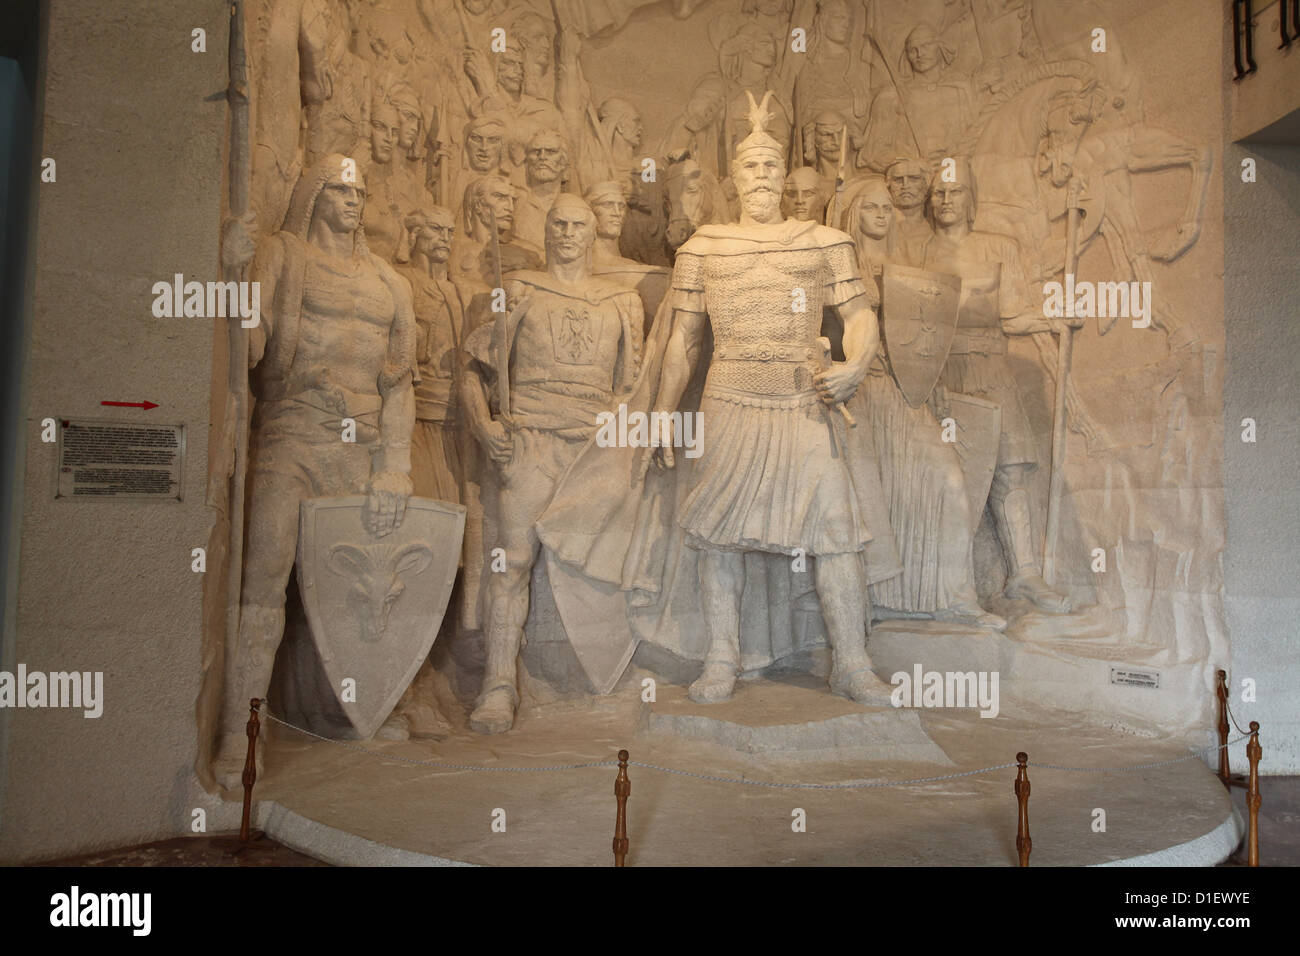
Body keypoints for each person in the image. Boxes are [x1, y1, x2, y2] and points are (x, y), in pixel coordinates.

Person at [649, 93, 894, 705]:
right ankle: (722, 658)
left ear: (785, 176)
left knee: (835, 528)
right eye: (749, 165)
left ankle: (853, 662)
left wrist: (854, 364)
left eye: (770, 164)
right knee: (718, 534)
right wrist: (659, 415)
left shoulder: (823, 240)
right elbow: (683, 338)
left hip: (803, 397)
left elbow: (860, 316)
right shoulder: (703, 246)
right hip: (730, 394)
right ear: (733, 179)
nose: (760, 175)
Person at [216, 154, 417, 785]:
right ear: (315, 194)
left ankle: (362, 706)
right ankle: (239, 731)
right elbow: (250, 348)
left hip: (361, 444)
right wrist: (232, 272)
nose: (354, 200)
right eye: (340, 189)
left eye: (360, 191)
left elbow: (400, 384)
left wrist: (396, 466)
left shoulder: (390, 284)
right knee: (263, 580)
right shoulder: (284, 256)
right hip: (294, 431)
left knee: (366, 590)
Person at [460, 194, 643, 732]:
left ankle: (596, 677)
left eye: (577, 225)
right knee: (512, 560)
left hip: (593, 448)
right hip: (531, 439)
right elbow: (473, 371)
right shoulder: (519, 291)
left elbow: (633, 387)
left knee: (607, 557)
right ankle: (498, 683)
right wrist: (484, 425)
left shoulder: (622, 301)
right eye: (557, 224)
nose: (566, 233)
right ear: (546, 232)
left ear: (593, 235)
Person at [838, 177, 1005, 628]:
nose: (881, 214)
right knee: (868, 502)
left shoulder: (904, 267)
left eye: (887, 207)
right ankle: (871, 602)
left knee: (947, 481)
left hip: (903, 391)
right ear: (853, 212)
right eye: (870, 206)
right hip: (853, 396)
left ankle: (954, 595)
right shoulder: (834, 267)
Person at [920, 160, 1074, 613]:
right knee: (953, 478)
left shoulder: (997, 247)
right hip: (943, 373)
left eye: (955, 192)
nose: (946, 201)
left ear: (972, 198)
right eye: (939, 194)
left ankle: (1023, 573)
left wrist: (1053, 319)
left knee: (1011, 469)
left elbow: (1013, 315)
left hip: (992, 366)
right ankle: (951, 584)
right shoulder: (919, 252)